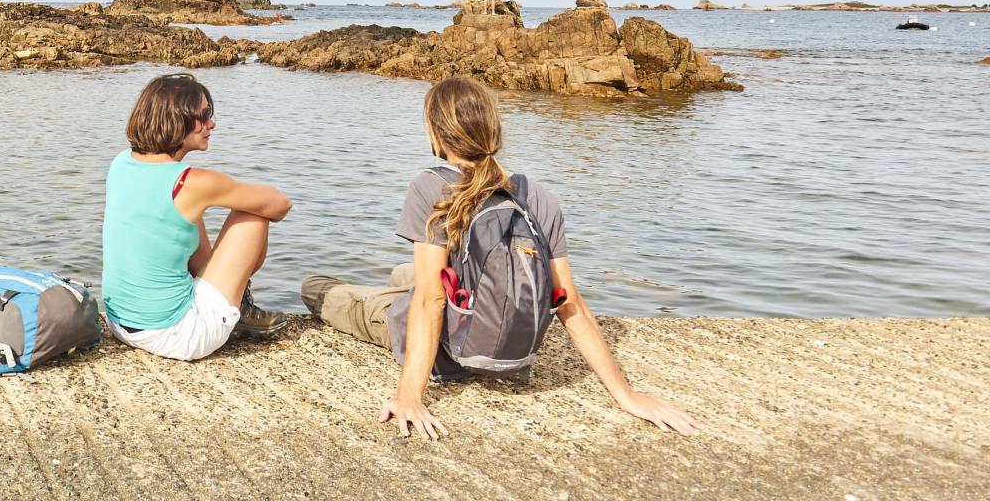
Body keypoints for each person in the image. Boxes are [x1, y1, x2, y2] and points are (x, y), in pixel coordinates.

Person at [301, 77, 700, 440]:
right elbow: (569, 303)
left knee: (318, 288)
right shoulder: (536, 196)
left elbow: (431, 301)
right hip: (514, 356)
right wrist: (626, 396)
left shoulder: (431, 187)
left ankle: (346, 299)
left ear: (439, 135)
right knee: (403, 272)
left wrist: (409, 396)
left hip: (450, 350)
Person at [102, 73, 292, 361]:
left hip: (122, 325)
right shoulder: (193, 182)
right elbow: (280, 205)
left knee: (187, 215)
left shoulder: (121, 162)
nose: (212, 123)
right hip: (176, 335)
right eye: (204, 115)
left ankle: (236, 303)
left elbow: (196, 256)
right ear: (176, 119)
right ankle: (240, 306)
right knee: (253, 213)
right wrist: (247, 194)